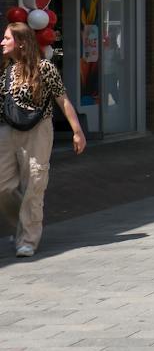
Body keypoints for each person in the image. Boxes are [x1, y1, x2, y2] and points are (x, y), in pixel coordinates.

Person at [0, 22, 86, 257]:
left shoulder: (45, 67)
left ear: (21, 42)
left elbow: (62, 99)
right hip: (7, 130)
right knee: (3, 187)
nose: (2, 42)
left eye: (7, 38)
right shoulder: (6, 68)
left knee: (34, 184)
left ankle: (28, 239)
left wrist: (77, 131)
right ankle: (22, 223)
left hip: (38, 130)